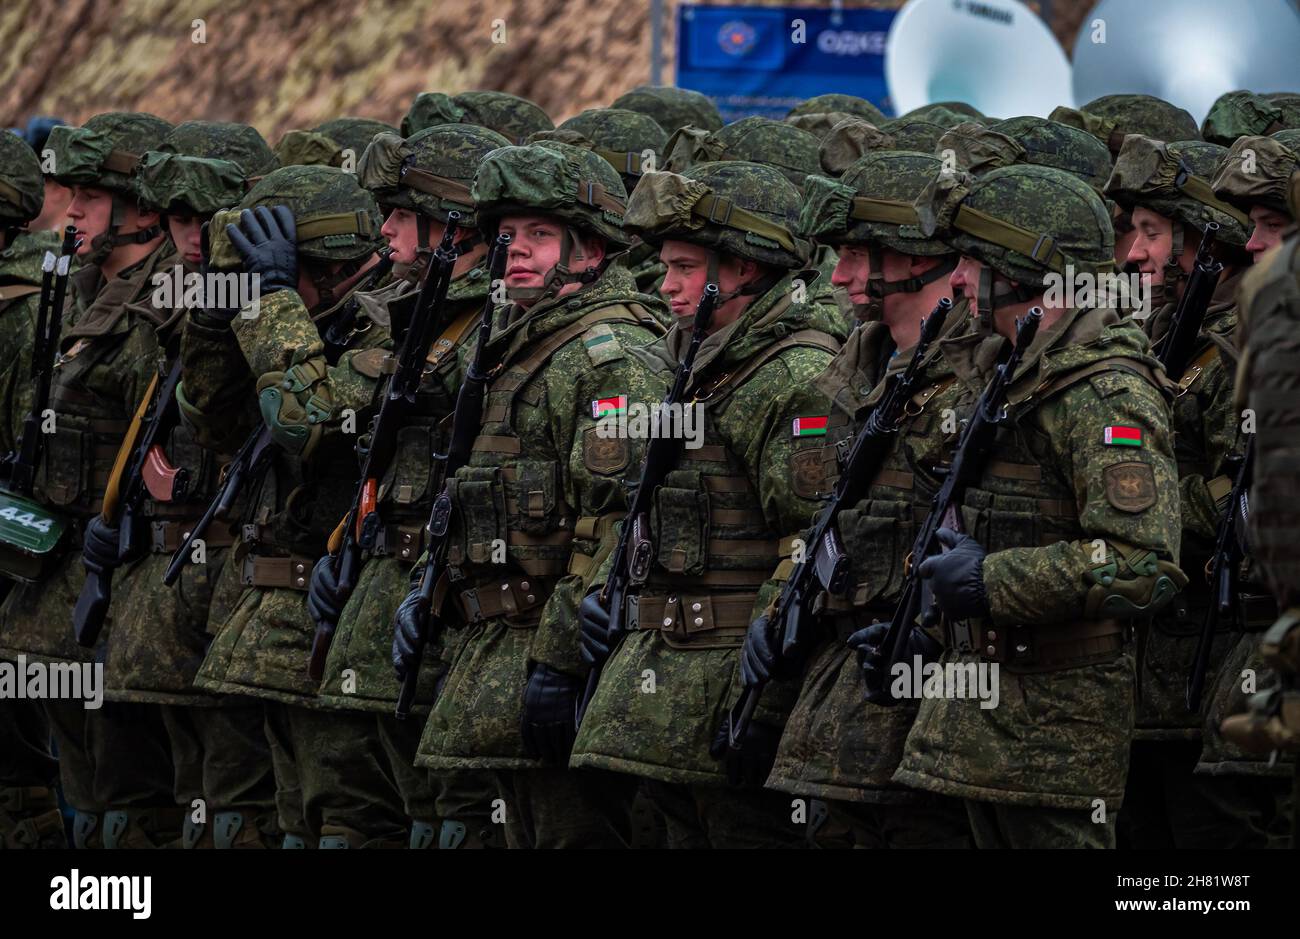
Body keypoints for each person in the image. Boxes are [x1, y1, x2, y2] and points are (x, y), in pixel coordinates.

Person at [888, 163, 1185, 848]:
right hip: (973, 726)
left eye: (972, 260)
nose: (956, 278)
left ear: (1024, 268)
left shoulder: (1104, 392)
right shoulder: (1007, 372)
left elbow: (1145, 563)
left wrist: (991, 579)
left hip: (1055, 737)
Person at [391, 141, 667, 848]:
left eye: (541, 234)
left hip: (557, 660)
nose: (515, 250)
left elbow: (615, 527)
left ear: (593, 249)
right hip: (496, 657)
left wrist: (563, 657)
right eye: (507, 234)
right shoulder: (509, 347)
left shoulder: (609, 356)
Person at [573, 159, 844, 848]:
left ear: (745, 269)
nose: (664, 286)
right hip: (665, 687)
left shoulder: (794, 373)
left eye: (685, 268)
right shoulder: (697, 365)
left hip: (729, 688)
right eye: (664, 266)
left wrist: (767, 699)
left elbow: (810, 542)